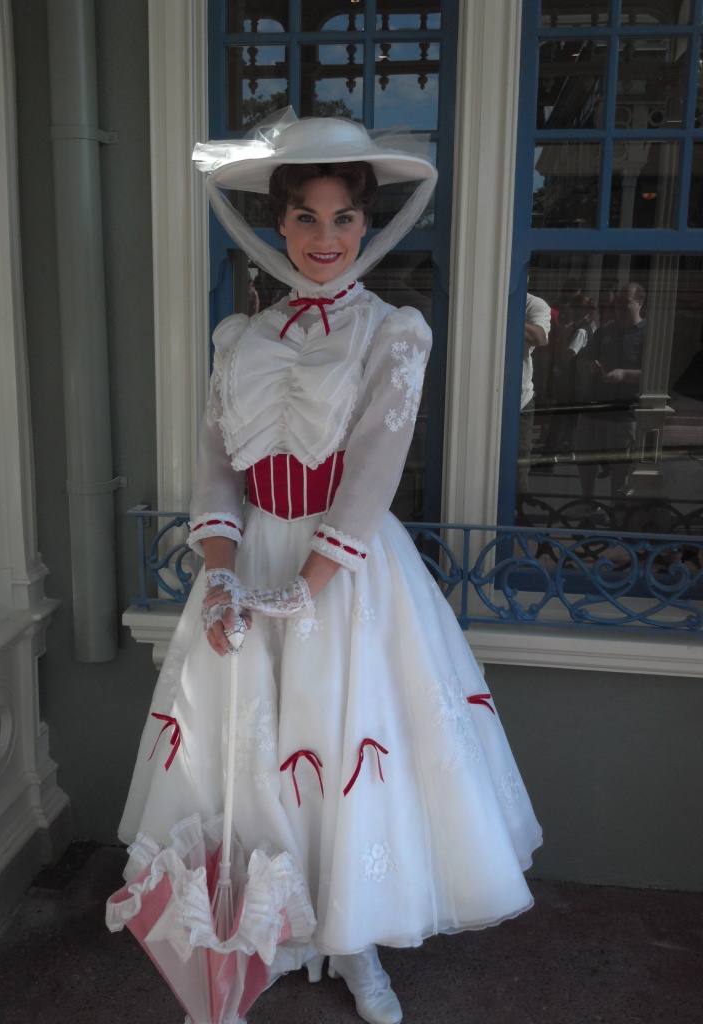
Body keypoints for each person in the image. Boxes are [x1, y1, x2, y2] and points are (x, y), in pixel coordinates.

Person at [115, 110, 542, 1024]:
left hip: (341, 578)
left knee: (341, 748)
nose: (324, 237)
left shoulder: (394, 333)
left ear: (367, 224)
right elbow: (217, 471)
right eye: (306, 217)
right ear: (279, 225)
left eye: (343, 217)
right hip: (252, 557)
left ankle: (353, 946)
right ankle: (277, 929)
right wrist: (225, 576)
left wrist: (296, 593)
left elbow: (371, 483)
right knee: (253, 764)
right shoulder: (240, 339)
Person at [575, 281, 646, 501]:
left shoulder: (647, 334)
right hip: (594, 407)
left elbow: (655, 377)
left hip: (624, 411)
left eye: (626, 302)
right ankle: (588, 503)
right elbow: (582, 358)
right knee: (587, 459)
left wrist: (624, 375)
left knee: (620, 466)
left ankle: (617, 510)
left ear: (640, 303)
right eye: (617, 303)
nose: (620, 307)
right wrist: (587, 366)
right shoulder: (607, 329)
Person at [517, 292, 551, 504]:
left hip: (519, 399)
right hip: (480, 397)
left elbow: (538, 337)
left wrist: (504, 312)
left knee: (519, 457)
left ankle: (516, 510)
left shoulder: (535, 304)